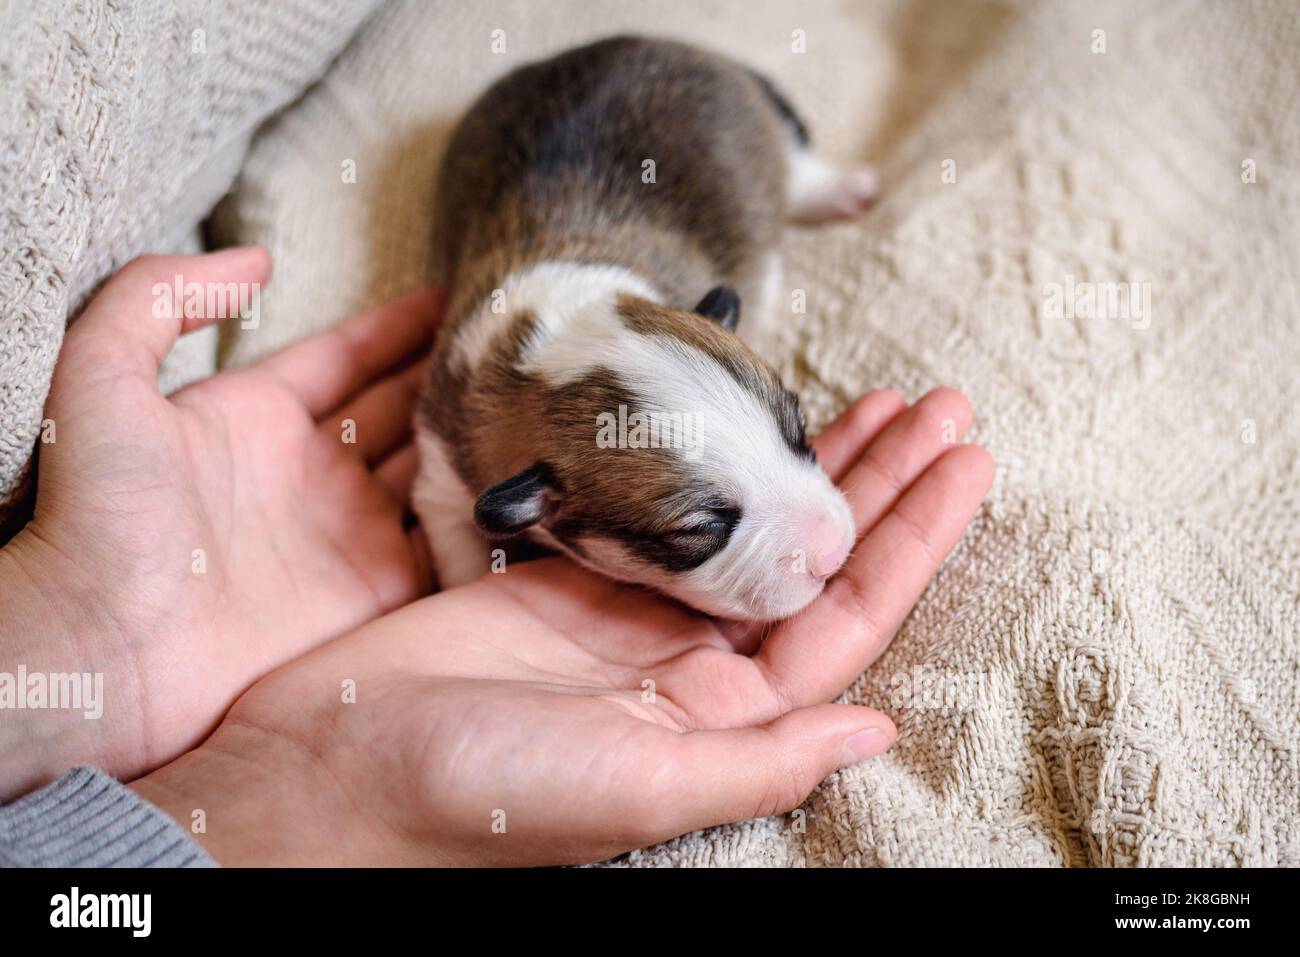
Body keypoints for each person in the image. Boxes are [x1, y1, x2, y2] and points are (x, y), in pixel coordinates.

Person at [0, 249, 994, 866]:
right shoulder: (498, 473)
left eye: (798, 442)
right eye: (704, 530)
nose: (825, 540)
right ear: (534, 513)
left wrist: (87, 633)